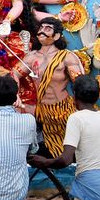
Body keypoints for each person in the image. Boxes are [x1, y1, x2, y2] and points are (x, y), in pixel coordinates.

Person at [14, 16, 84, 158]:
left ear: (57, 35)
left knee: (73, 148)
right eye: (41, 28)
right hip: (42, 111)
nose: (42, 31)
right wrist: (15, 95)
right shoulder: (31, 57)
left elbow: (81, 83)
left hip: (64, 110)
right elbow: (13, 74)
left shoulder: (66, 57)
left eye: (48, 29)